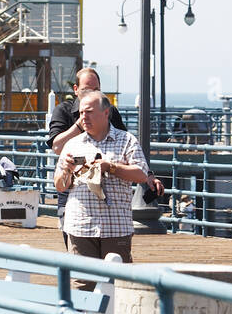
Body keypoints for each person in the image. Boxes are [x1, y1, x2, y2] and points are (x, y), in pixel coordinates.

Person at [53, 89, 163, 276]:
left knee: (117, 284)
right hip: (81, 226)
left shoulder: (127, 140)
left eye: (88, 112)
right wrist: (67, 170)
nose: (83, 118)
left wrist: (111, 167)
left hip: (115, 227)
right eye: (80, 113)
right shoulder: (72, 144)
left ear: (106, 113)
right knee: (82, 284)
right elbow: (60, 185)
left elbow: (141, 174)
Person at [46, 66, 130, 240]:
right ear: (76, 90)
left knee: (109, 254)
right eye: (86, 90)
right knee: (76, 251)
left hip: (108, 196)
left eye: (96, 90)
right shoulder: (63, 110)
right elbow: (56, 147)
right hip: (73, 195)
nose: (91, 93)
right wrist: (81, 122)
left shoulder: (109, 111)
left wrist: (149, 175)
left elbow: (127, 145)